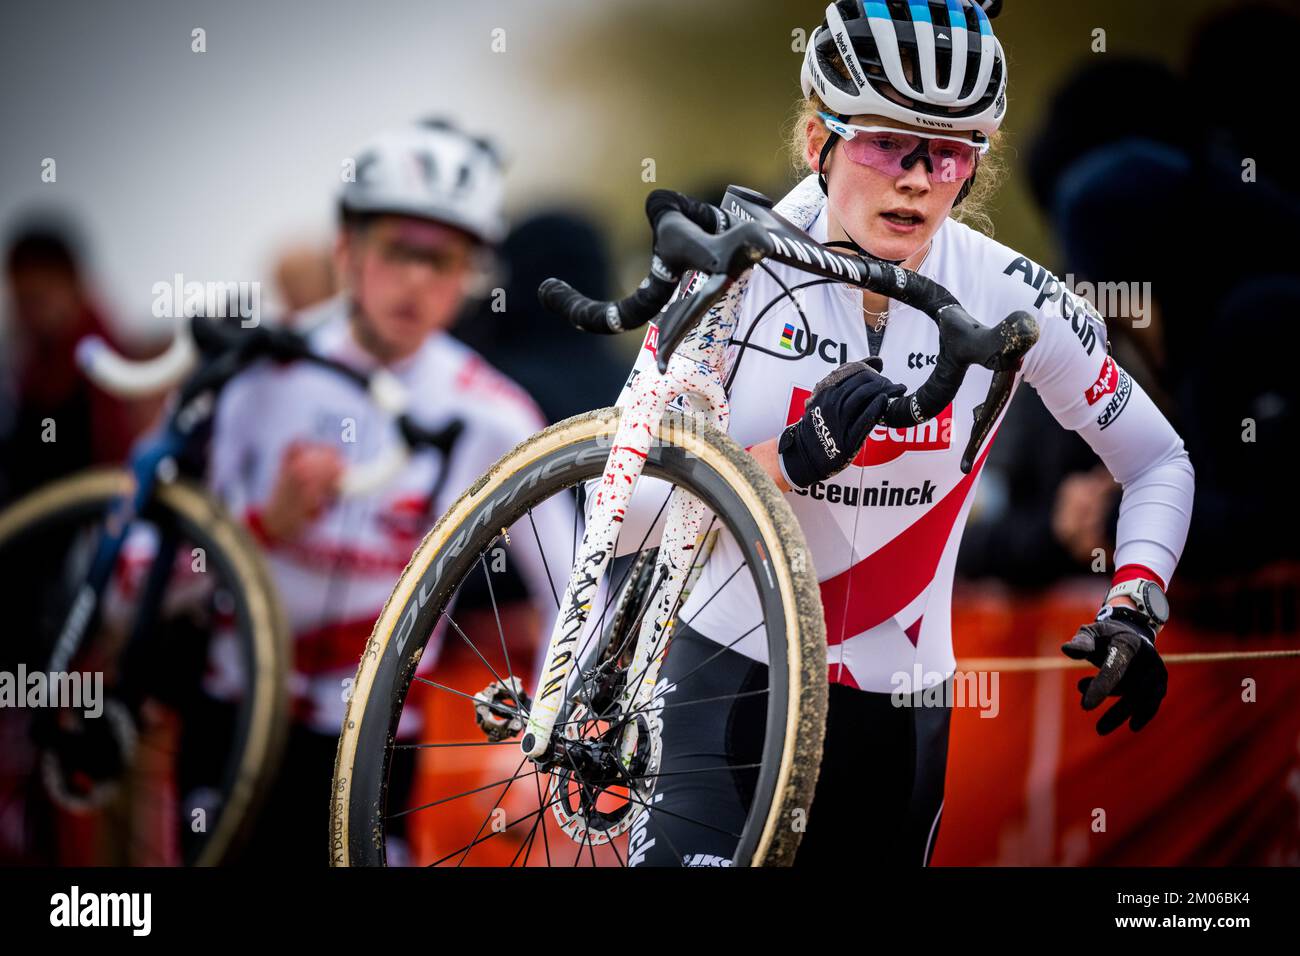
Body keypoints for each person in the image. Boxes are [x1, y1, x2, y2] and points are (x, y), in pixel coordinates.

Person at [617, 0, 1194, 866]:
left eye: (952, 151)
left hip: (900, 716)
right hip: (727, 688)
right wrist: (783, 463)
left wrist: (1135, 603)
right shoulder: (730, 272)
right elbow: (616, 515)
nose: (919, 178)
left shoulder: (1010, 296)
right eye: (887, 143)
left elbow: (1159, 459)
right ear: (819, 138)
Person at [207, 118, 572, 864]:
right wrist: (258, 528)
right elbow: (157, 578)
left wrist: (547, 744)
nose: (418, 281)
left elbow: (574, 590)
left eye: (447, 262)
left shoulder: (490, 413)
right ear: (346, 249)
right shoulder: (258, 373)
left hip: (377, 744)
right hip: (235, 716)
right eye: (399, 251)